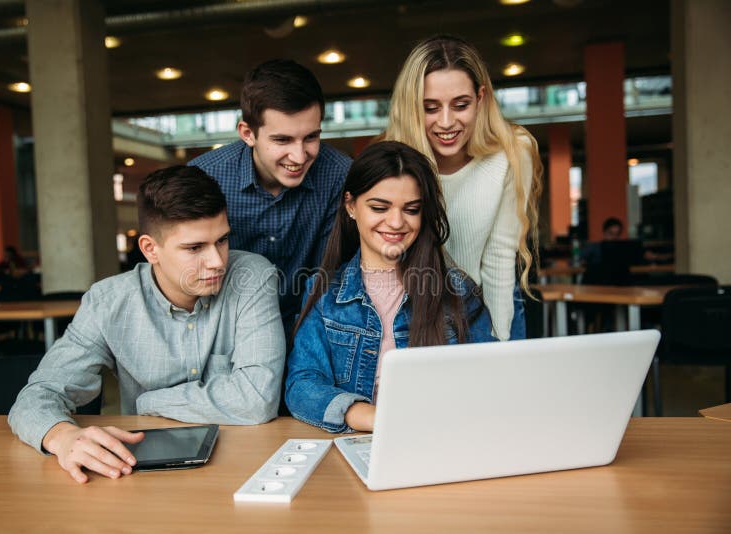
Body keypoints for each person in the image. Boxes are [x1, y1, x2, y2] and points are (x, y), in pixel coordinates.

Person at [9, 165, 285, 483]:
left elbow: (257, 400)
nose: (218, 261)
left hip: (245, 464)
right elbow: (38, 395)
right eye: (195, 248)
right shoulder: (108, 301)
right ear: (150, 249)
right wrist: (62, 436)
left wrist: (149, 401)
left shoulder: (252, 276)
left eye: (222, 240)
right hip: (143, 475)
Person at [285, 141, 494, 433]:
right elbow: (301, 385)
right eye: (379, 207)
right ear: (351, 206)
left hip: (441, 438)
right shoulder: (323, 293)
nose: (396, 222)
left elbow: (492, 379)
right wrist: (372, 417)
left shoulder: (457, 291)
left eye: (411, 209)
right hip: (358, 441)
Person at [385, 35, 543, 341]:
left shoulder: (513, 150)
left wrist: (497, 345)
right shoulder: (397, 159)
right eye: (430, 108)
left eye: (461, 105)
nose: (446, 122)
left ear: (480, 98)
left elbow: (498, 259)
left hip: (489, 308)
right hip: (415, 312)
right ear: (412, 106)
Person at [189, 59, 352, 330]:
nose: (299, 156)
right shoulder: (204, 177)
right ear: (247, 133)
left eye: (311, 137)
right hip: (225, 330)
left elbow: (335, 277)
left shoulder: (340, 176)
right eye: (282, 140)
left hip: (312, 328)